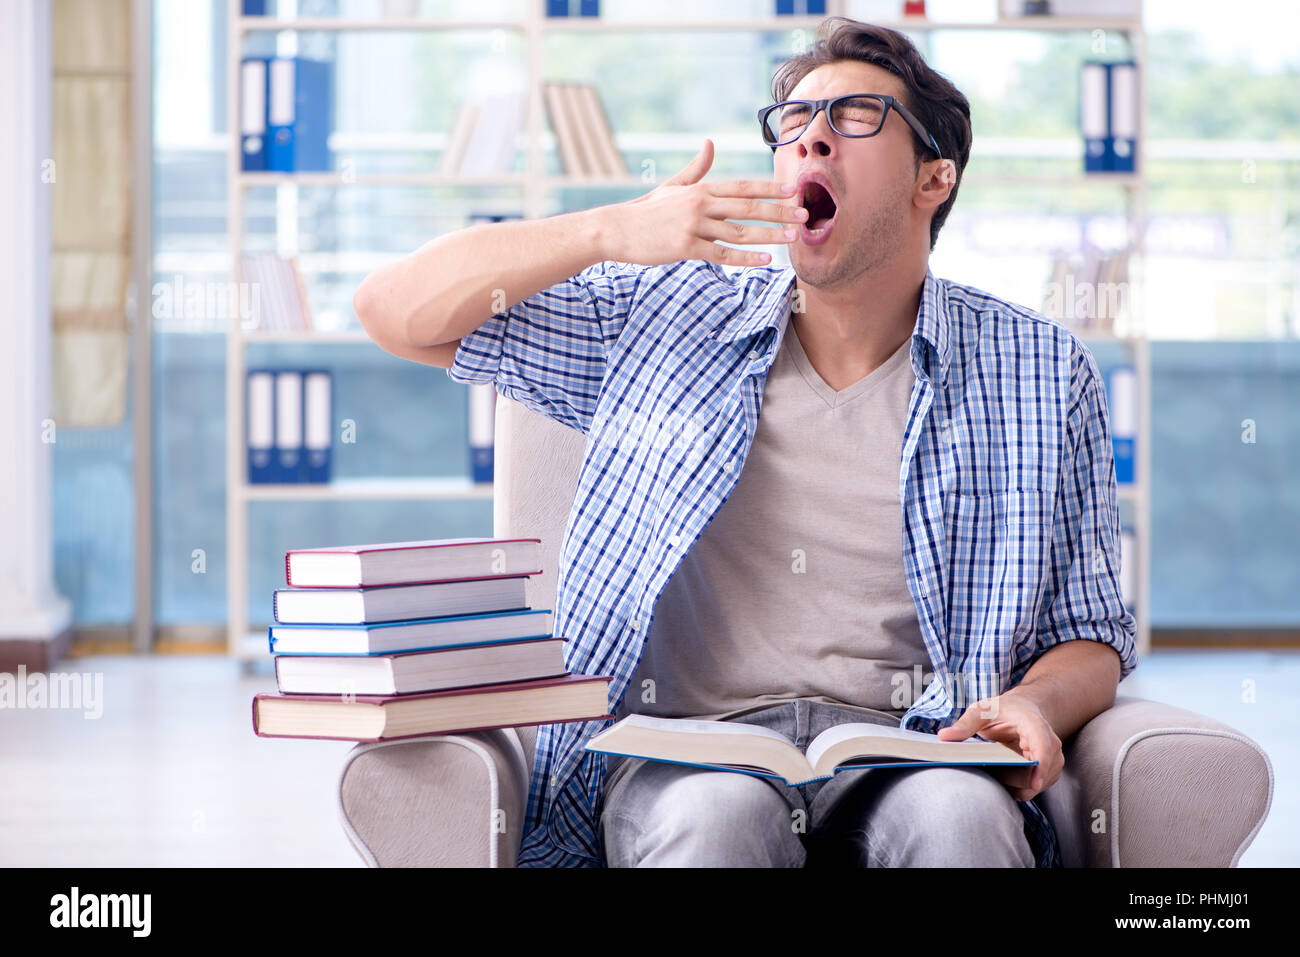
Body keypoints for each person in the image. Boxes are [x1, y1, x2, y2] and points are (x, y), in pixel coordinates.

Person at [353, 16, 1137, 868]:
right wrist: (609, 231)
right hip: (690, 748)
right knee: (715, 821)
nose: (812, 139)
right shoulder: (663, 314)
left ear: (932, 178)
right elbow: (392, 310)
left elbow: (1089, 629)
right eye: (793, 123)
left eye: (856, 116)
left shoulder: (1039, 366)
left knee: (962, 821)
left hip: (917, 744)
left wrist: (1034, 701)